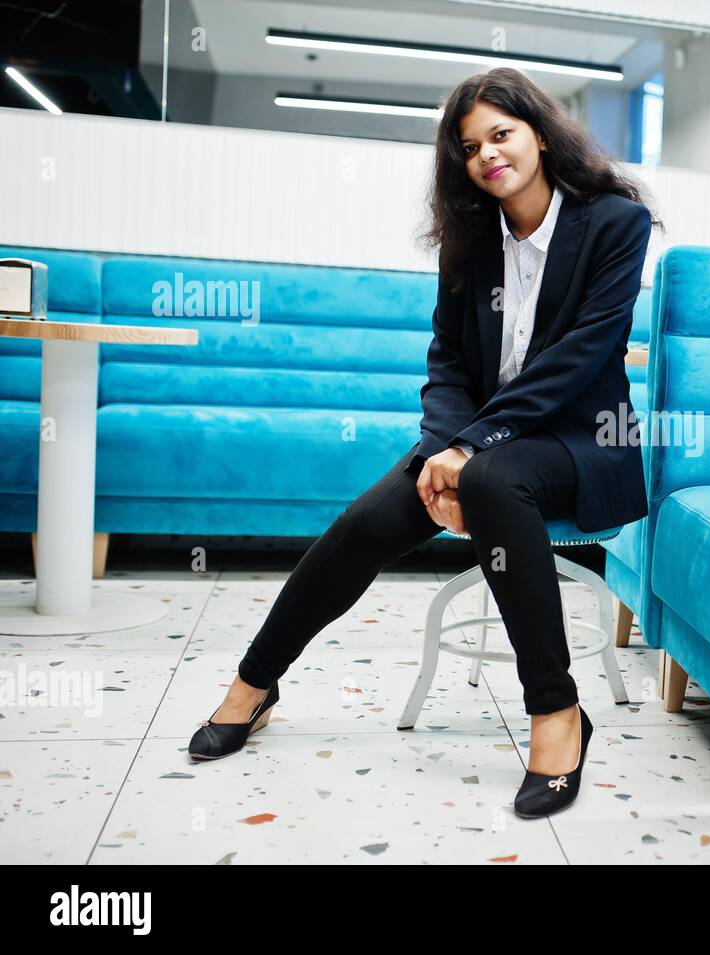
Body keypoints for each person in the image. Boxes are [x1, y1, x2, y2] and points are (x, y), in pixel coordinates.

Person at [188, 66, 661, 819]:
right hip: (470, 442)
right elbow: (446, 361)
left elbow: (579, 358)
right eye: (470, 147)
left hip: (580, 438)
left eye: (501, 134)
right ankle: (256, 682)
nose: (488, 156)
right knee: (367, 521)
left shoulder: (614, 223)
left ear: (540, 132)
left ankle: (557, 710)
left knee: (490, 481)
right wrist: (447, 446)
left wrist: (470, 450)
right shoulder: (470, 241)